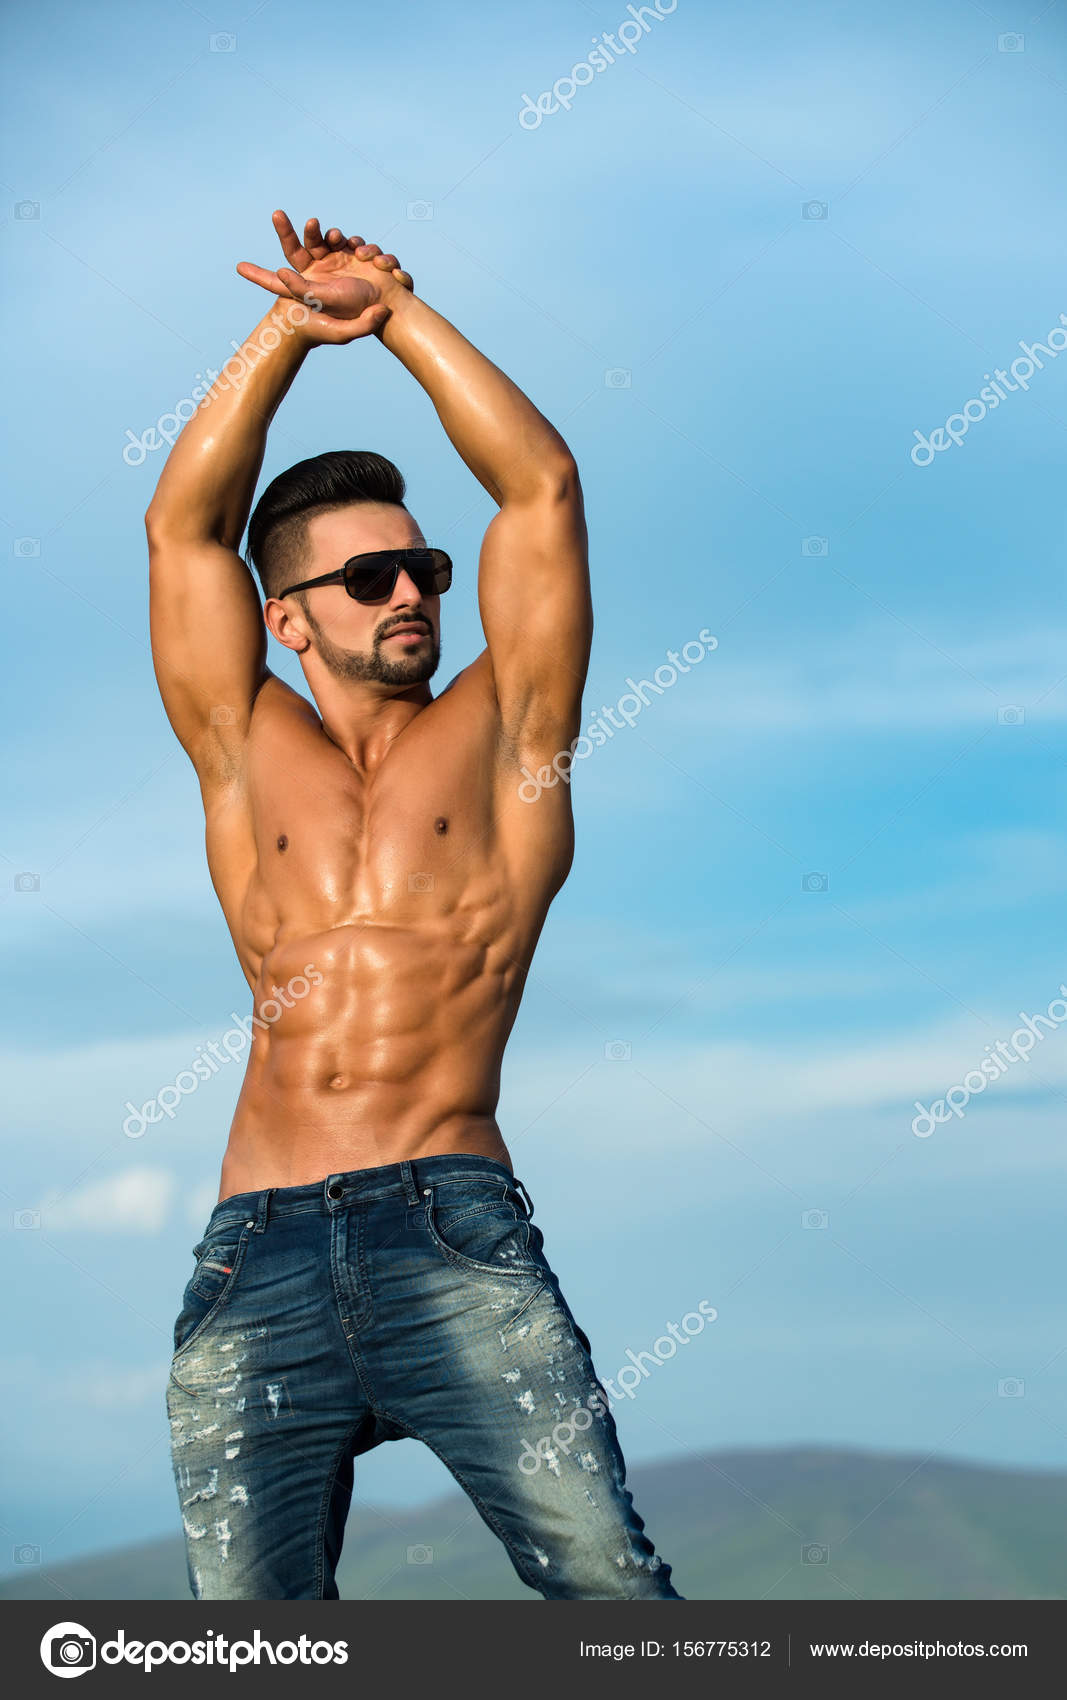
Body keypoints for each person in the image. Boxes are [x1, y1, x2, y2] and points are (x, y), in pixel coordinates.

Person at [147, 209, 682, 1601]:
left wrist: (393, 317)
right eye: (369, 577)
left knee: (610, 1598)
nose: (412, 593)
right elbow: (182, 527)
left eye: (425, 570)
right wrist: (287, 328)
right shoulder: (242, 748)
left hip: (452, 1227)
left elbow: (542, 492)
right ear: (289, 617)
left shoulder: (511, 735)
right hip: (254, 1246)